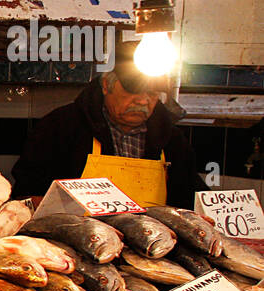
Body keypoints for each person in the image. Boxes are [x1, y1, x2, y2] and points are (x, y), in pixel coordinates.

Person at [11, 52, 202, 208]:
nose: (143, 101)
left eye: (152, 93)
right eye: (133, 91)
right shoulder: (61, 127)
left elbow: (190, 197)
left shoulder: (171, 138)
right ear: (106, 84)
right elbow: (28, 190)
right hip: (78, 244)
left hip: (153, 247)